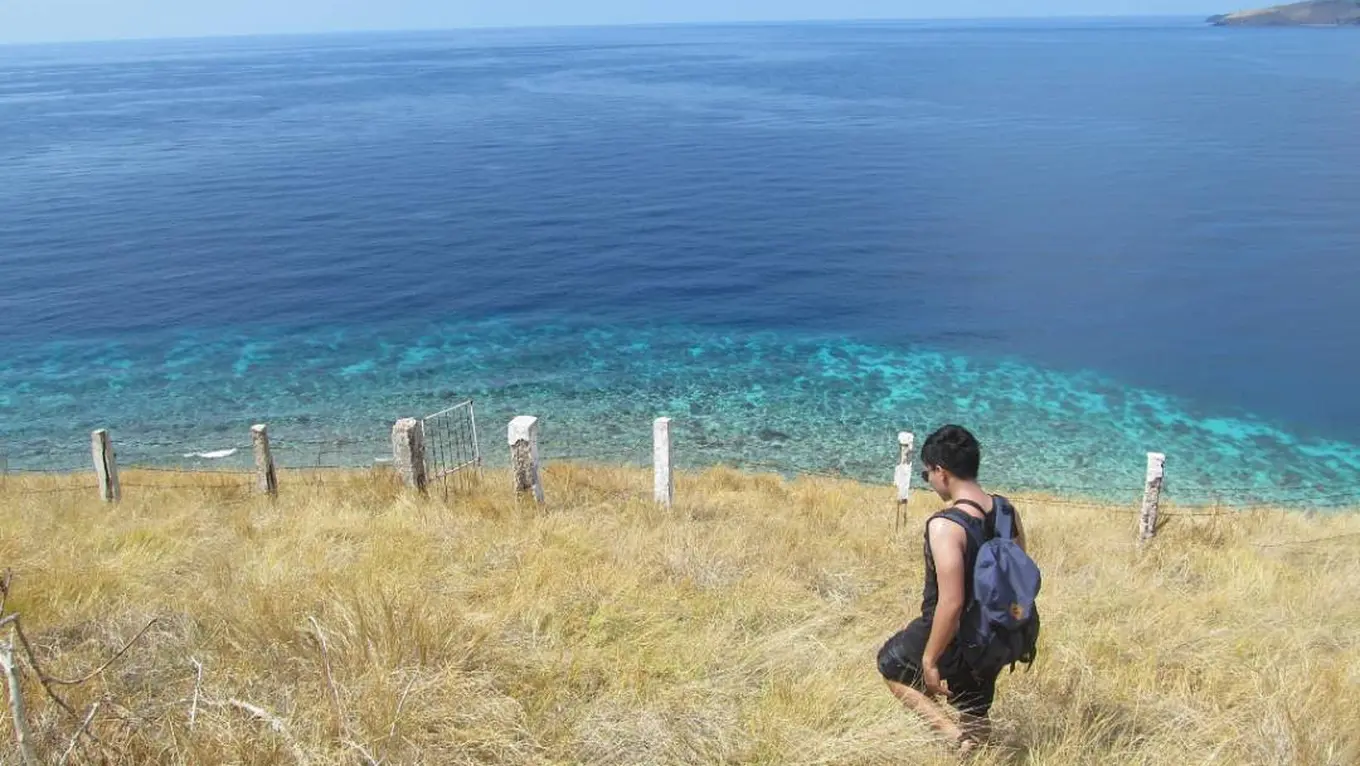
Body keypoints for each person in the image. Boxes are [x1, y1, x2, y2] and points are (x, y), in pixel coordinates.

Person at [877, 424, 1029, 754]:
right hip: (994, 631)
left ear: (941, 472)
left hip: (953, 632)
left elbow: (951, 602)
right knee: (974, 708)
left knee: (892, 667)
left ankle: (955, 741)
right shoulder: (1005, 510)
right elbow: (1021, 573)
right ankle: (976, 749)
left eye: (926, 473)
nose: (929, 480)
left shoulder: (946, 525)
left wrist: (931, 659)